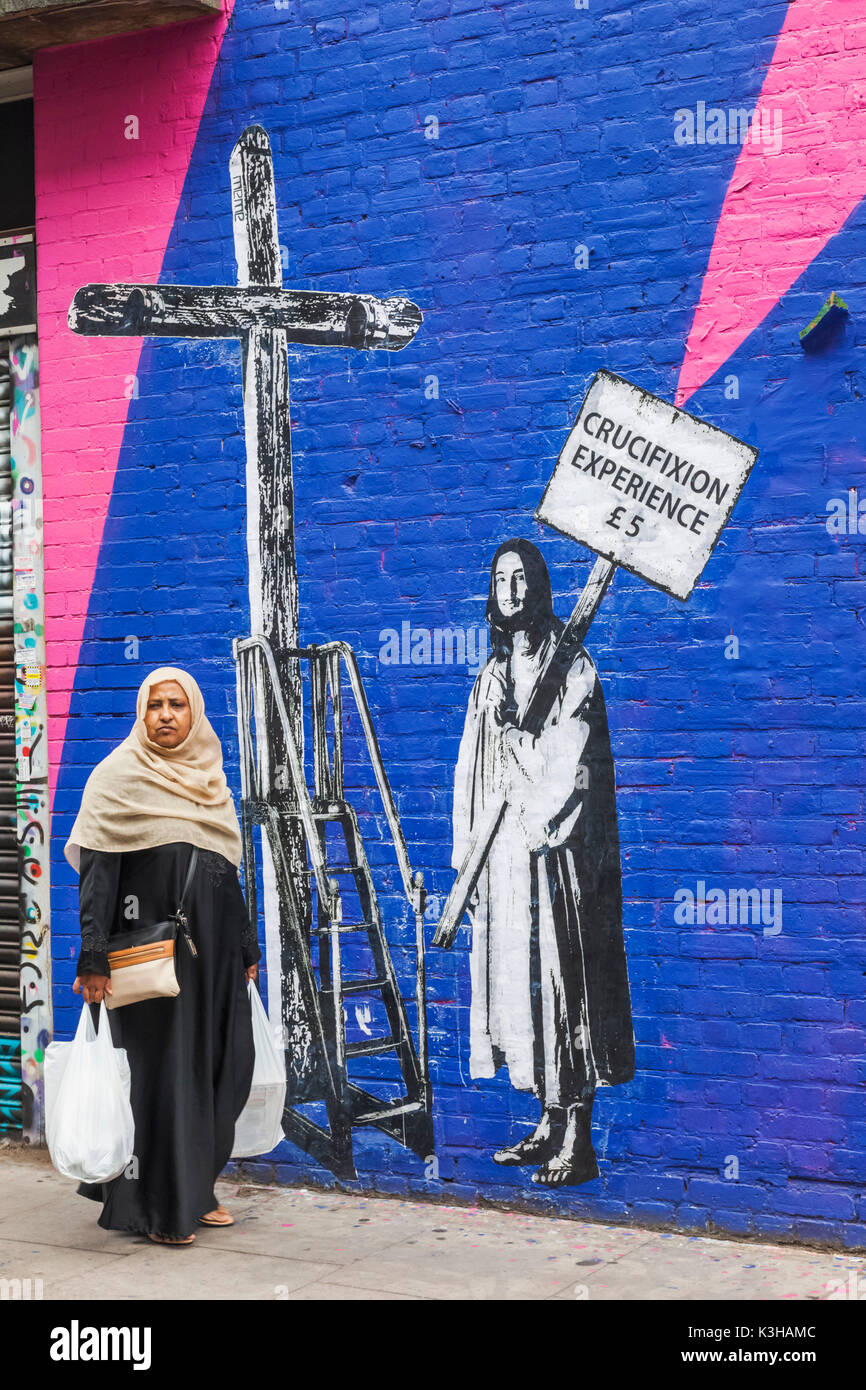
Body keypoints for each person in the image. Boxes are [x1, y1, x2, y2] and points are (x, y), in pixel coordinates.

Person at [451, 539, 634, 1186]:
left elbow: (572, 764)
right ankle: (545, 1122)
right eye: (501, 578)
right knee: (521, 992)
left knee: (563, 991)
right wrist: (467, 855)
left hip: (553, 858)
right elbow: (472, 772)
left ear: (540, 586)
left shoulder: (572, 669)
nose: (512, 589)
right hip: (504, 860)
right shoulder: (492, 677)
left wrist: (526, 747)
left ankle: (577, 1136)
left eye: (522, 577)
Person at [66, 666, 261, 1245]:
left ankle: (194, 1187)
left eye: (177, 705)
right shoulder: (116, 779)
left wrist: (246, 946)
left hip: (214, 963)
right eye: (156, 705)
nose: (167, 716)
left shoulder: (209, 780)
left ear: (194, 712)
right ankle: (160, 1208)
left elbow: (226, 872)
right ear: (141, 713)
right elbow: (97, 878)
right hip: (150, 962)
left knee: (217, 1070)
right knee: (162, 1078)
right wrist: (93, 958)